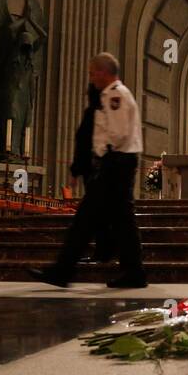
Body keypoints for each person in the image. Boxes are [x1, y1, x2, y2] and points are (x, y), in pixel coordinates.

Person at [30, 52, 147, 288]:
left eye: (93, 72)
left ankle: (63, 271)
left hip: (116, 162)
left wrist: (102, 155)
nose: (91, 78)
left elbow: (119, 133)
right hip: (118, 162)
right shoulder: (111, 94)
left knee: (87, 218)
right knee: (119, 219)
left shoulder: (115, 95)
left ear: (103, 72)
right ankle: (133, 272)